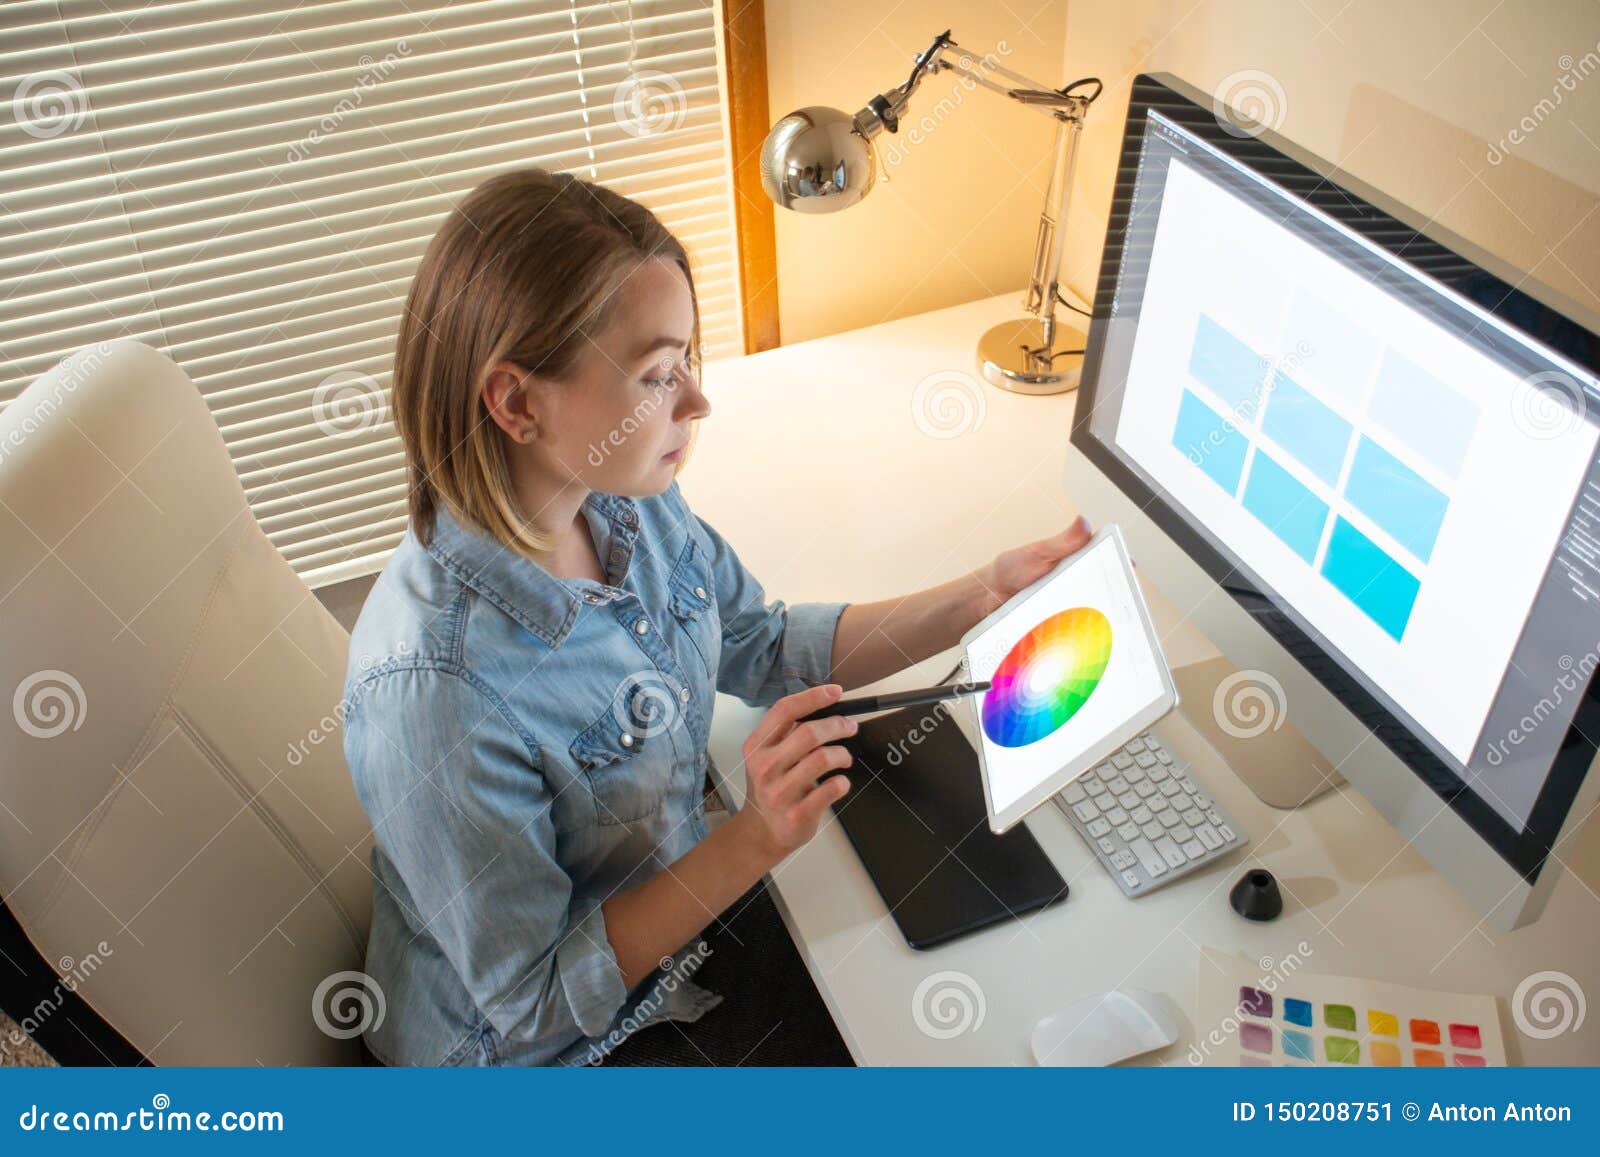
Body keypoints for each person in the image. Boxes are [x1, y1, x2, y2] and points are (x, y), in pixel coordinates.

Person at [341, 167, 1092, 1066]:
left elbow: (759, 643)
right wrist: (755, 838)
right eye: (658, 374)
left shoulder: (623, 494)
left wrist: (981, 596)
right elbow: (536, 1004)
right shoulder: (435, 691)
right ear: (516, 403)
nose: (697, 403)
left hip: (670, 922)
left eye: (687, 361)